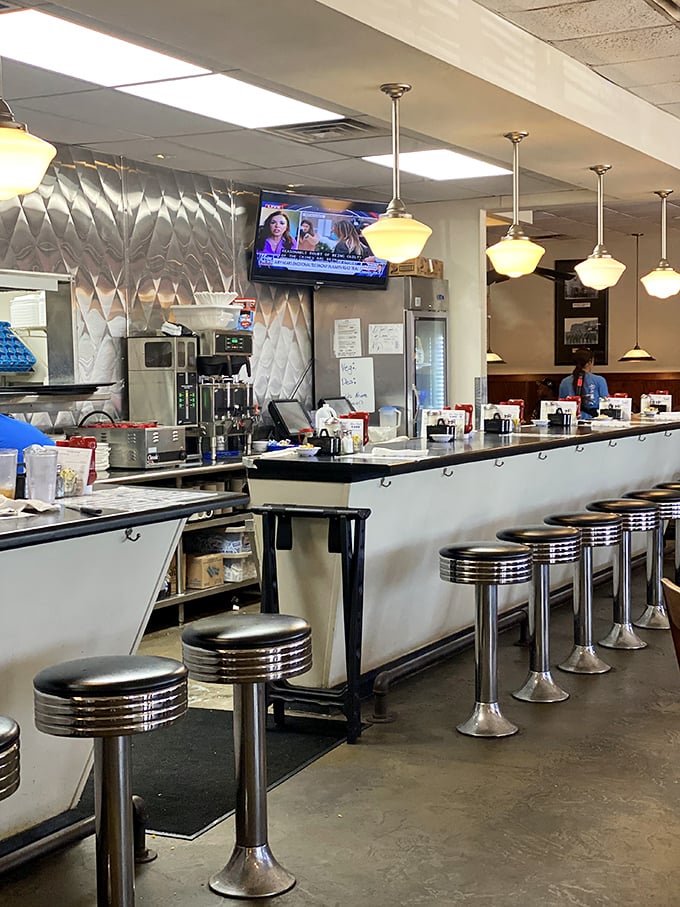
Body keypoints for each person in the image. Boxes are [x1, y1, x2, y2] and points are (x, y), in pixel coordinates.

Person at [558, 347, 608, 419]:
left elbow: (561, 404)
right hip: (593, 422)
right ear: (590, 362)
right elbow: (605, 404)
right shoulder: (599, 380)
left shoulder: (564, 382)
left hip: (570, 421)